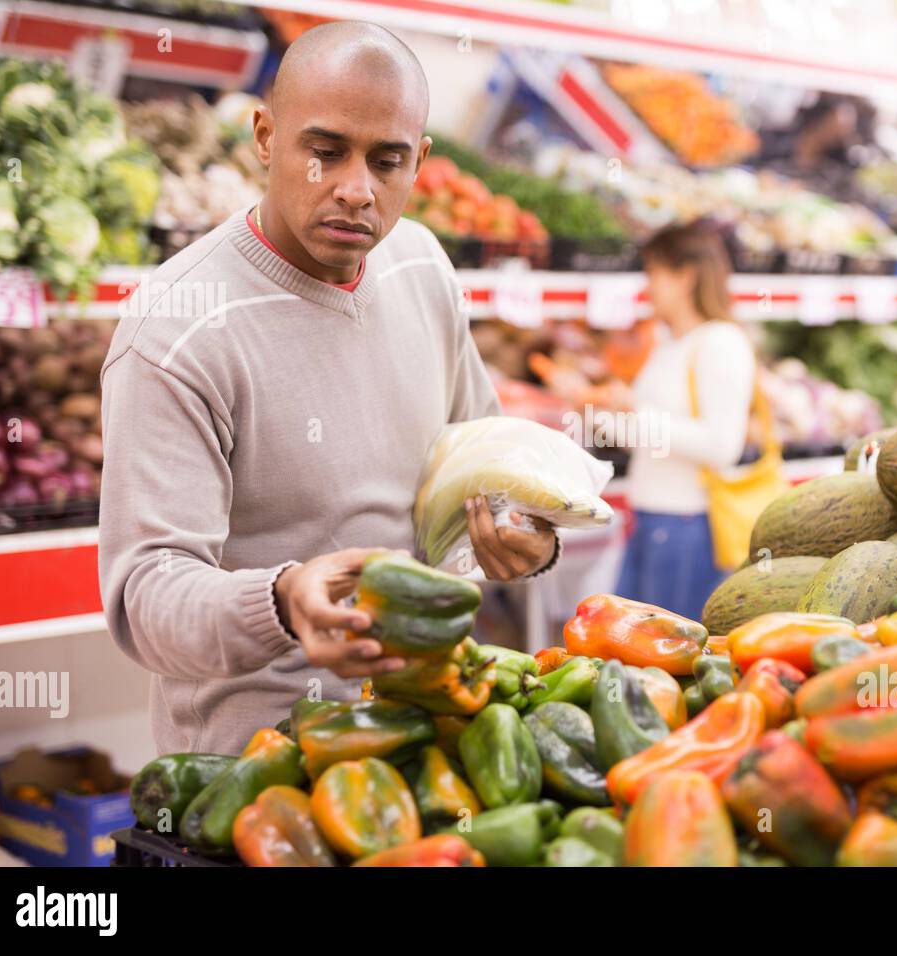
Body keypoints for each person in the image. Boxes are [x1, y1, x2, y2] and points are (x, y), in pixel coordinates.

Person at [99, 22, 558, 756]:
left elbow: (487, 456)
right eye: (324, 152)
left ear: (421, 162)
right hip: (255, 775)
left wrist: (524, 533)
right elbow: (146, 598)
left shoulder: (421, 267)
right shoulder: (176, 329)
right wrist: (281, 601)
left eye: (387, 161)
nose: (356, 190)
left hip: (428, 731)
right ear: (263, 136)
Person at [602, 220, 757, 619]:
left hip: (689, 530)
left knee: (670, 661)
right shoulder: (670, 345)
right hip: (650, 521)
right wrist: (598, 416)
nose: (647, 285)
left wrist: (636, 412)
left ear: (685, 276)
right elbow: (650, 435)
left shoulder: (721, 343)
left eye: (653, 272)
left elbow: (723, 447)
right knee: (627, 647)